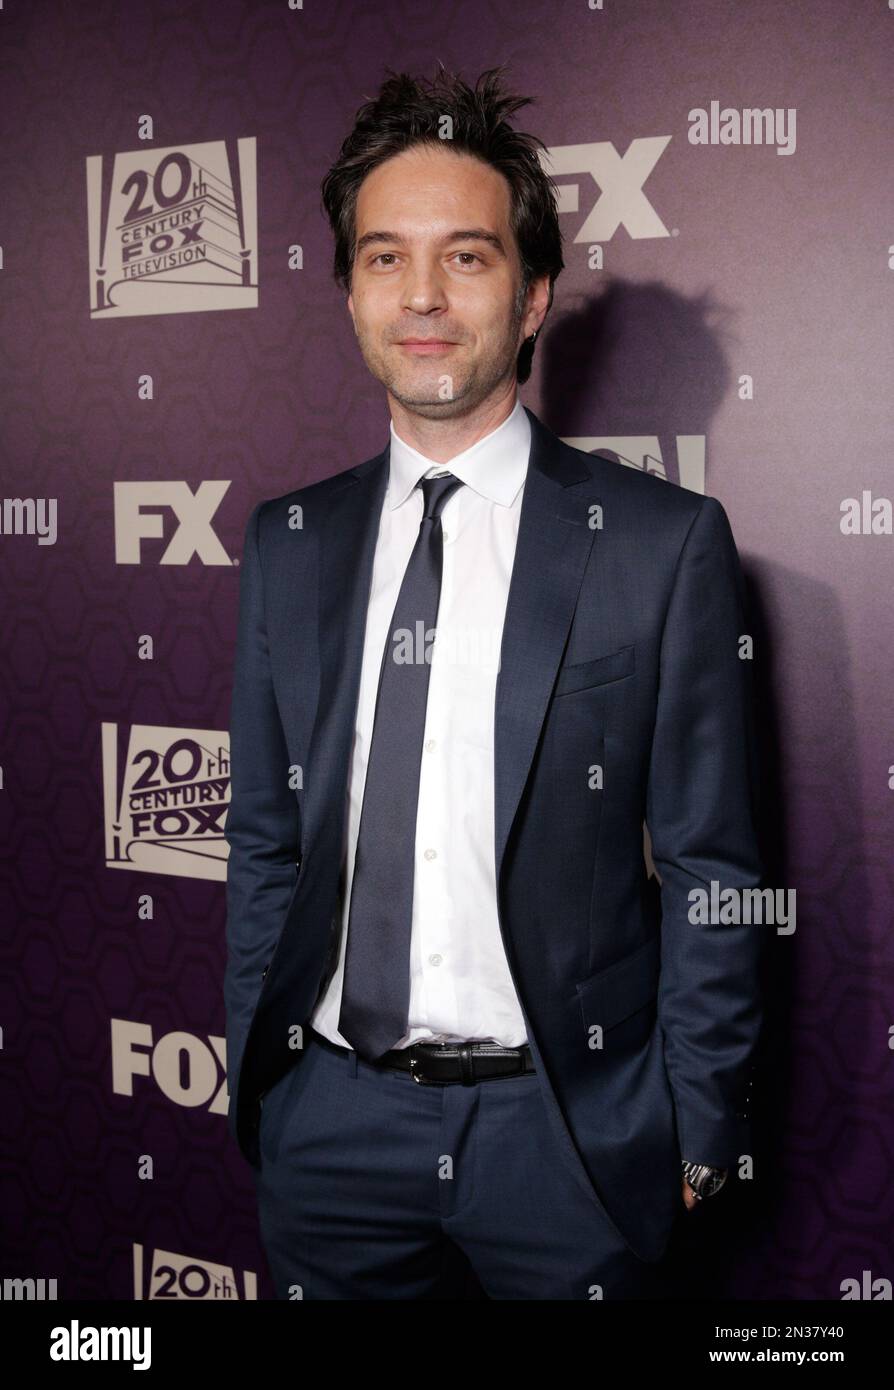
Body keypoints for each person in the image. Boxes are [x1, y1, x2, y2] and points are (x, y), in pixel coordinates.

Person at [223, 63, 763, 1300]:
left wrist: (697, 1122)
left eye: (466, 257)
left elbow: (715, 871)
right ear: (351, 294)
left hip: (569, 1137)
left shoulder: (658, 543)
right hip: (330, 1132)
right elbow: (264, 842)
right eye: (382, 258)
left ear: (531, 299)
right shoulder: (285, 541)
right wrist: (270, 1077)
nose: (421, 296)